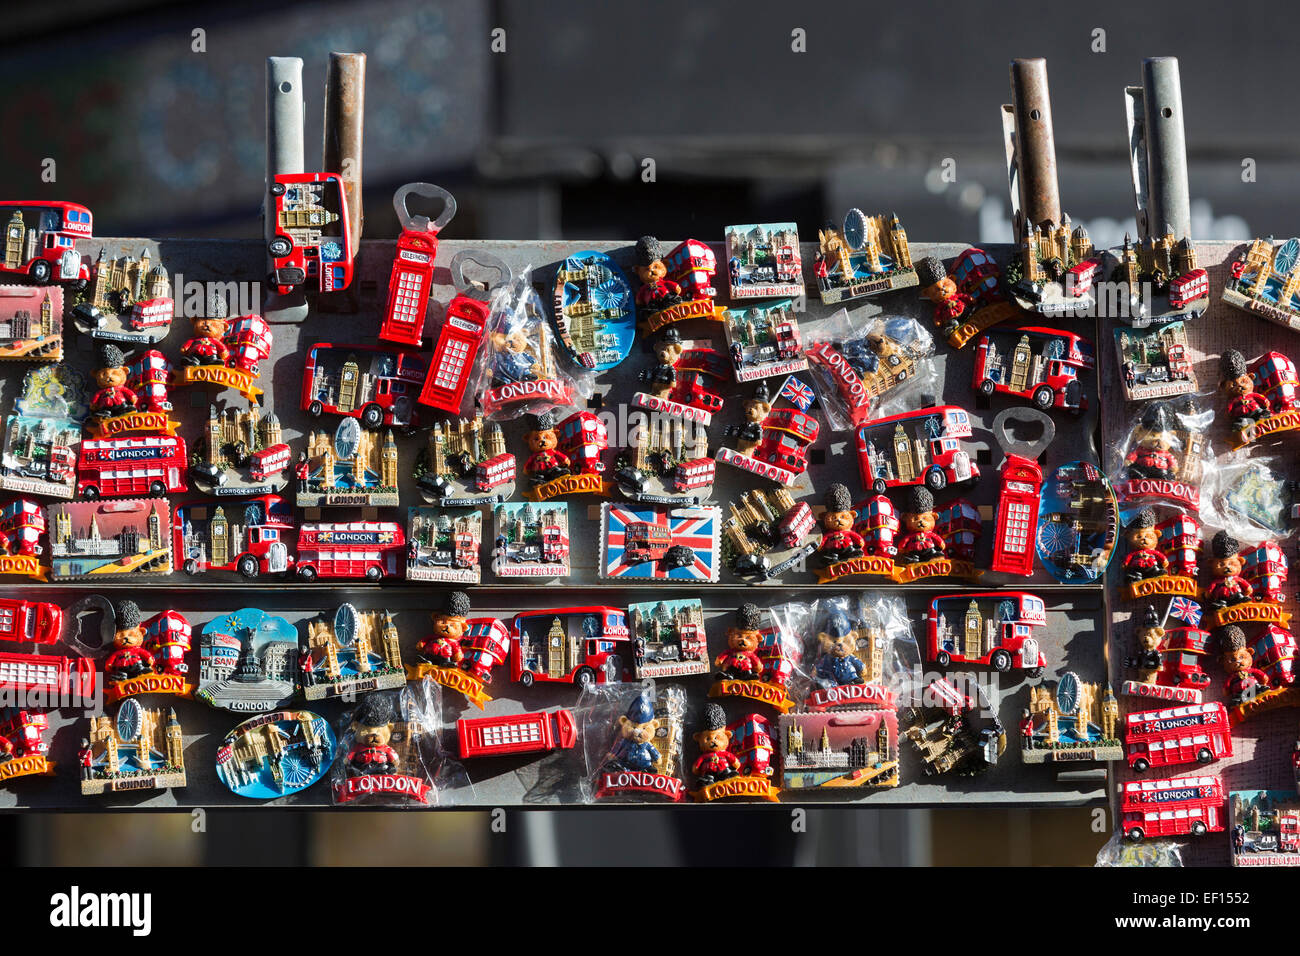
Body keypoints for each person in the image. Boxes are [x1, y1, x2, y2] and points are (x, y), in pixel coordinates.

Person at [692, 704, 740, 786]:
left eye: (717, 738)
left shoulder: (724, 754)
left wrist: (735, 763)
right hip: (708, 771)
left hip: (724, 768)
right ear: (698, 738)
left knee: (727, 773)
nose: (713, 742)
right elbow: (696, 766)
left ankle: (728, 776)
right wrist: (696, 769)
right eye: (707, 739)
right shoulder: (704, 756)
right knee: (708, 778)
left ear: (727, 735)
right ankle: (706, 781)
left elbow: (733, 759)